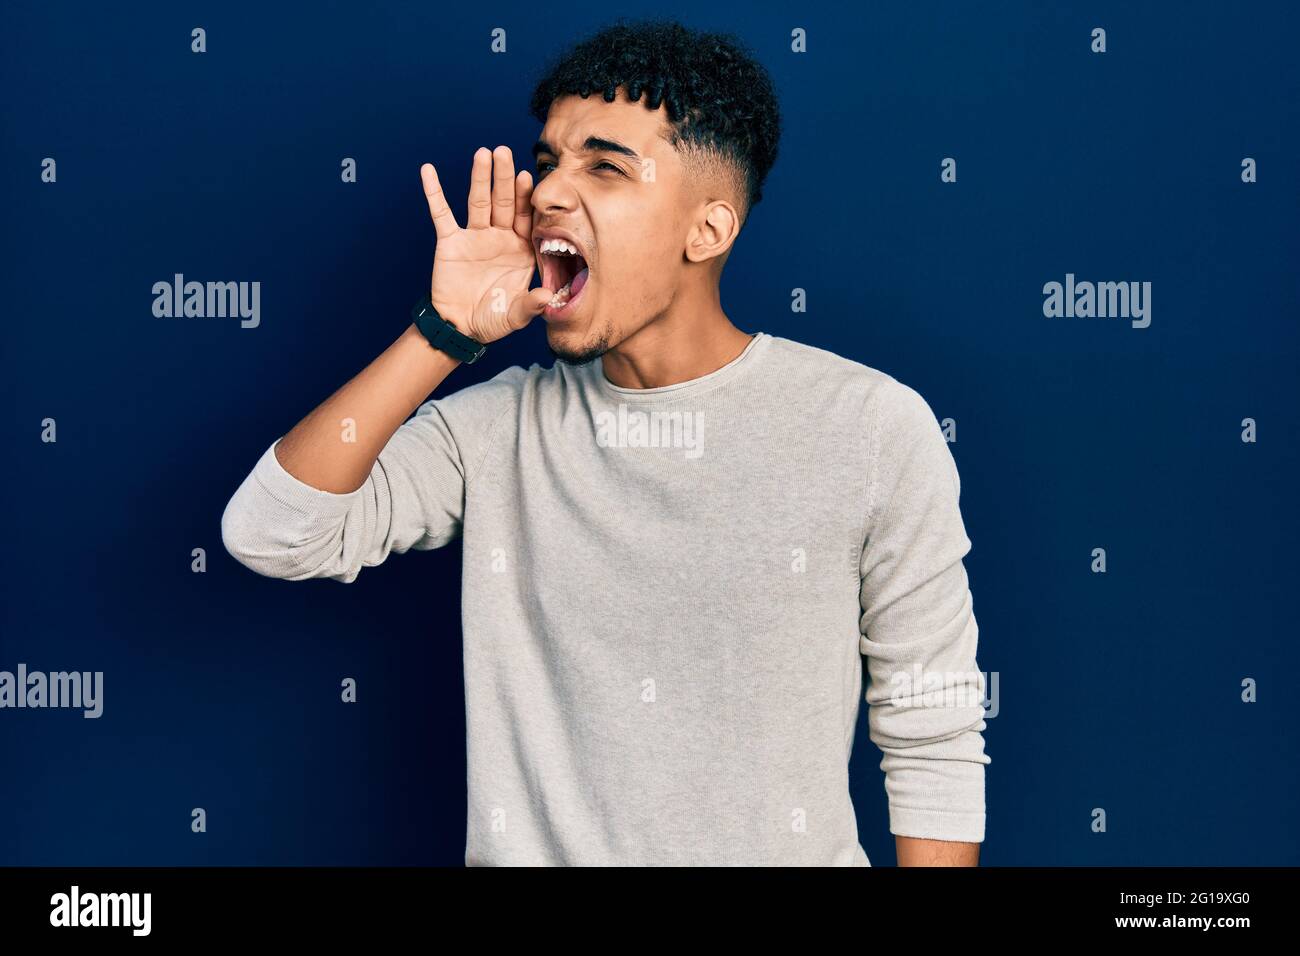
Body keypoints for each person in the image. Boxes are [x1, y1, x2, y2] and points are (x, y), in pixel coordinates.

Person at [221, 18, 990, 866]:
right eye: (548, 161)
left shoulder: (871, 428)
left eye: (605, 166)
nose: (548, 192)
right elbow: (272, 534)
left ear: (708, 230)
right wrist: (442, 334)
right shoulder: (497, 428)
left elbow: (933, 728)